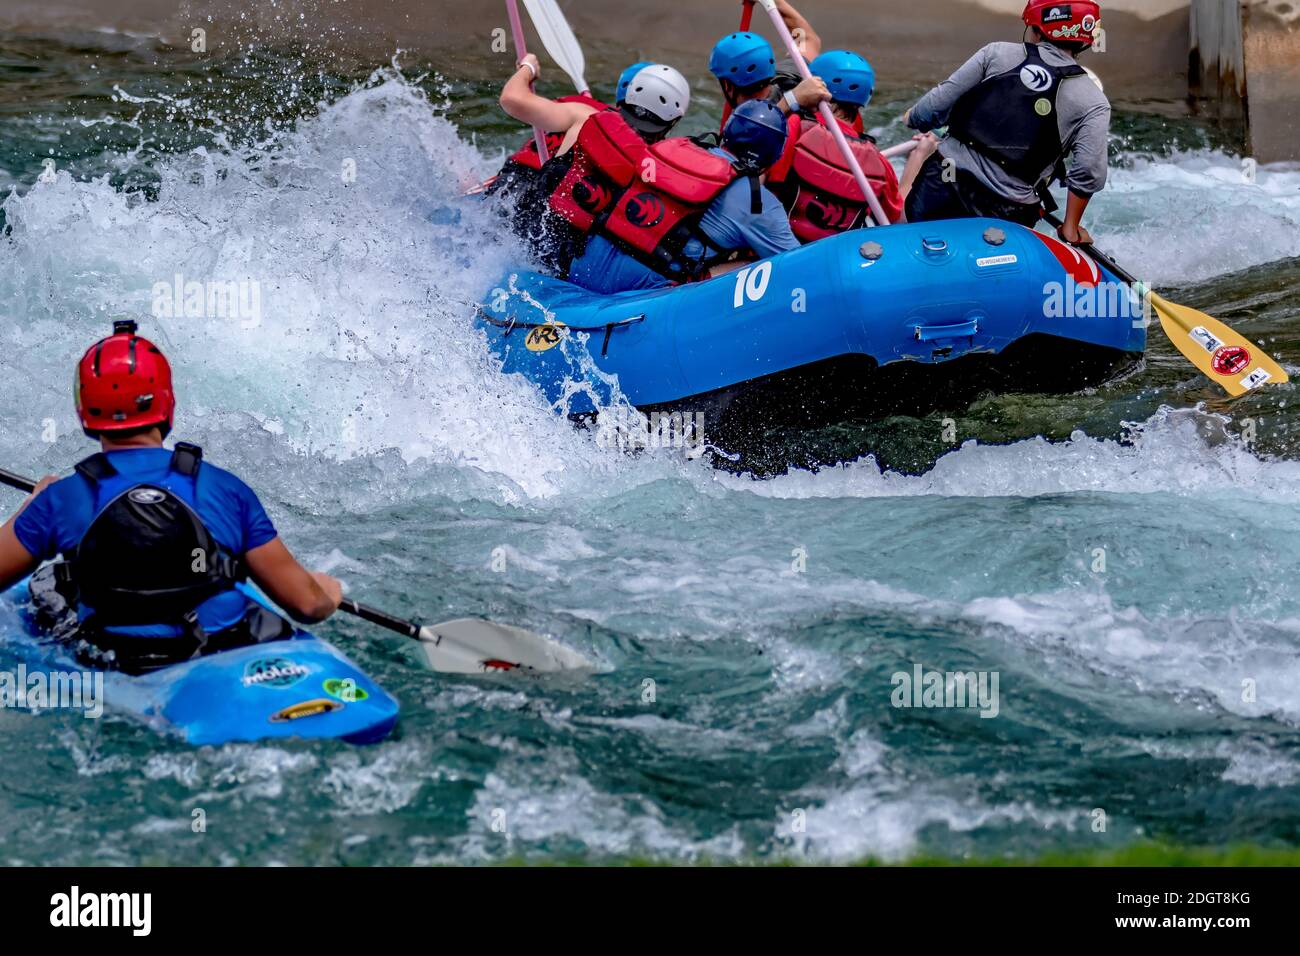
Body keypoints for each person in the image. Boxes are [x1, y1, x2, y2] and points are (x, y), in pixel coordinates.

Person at [0, 321, 344, 674]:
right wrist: (327, 592)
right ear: (167, 401)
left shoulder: (61, 500)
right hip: (224, 651)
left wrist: (32, 509)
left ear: (84, 409)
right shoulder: (223, 488)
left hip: (120, 660)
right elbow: (306, 604)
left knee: (52, 586)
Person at [902, 0, 1110, 244]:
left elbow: (934, 106)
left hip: (943, 184)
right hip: (1008, 210)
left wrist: (913, 117)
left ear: (1038, 30)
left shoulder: (996, 52)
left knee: (923, 243)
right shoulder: (1095, 101)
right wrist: (1070, 228)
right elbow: (1089, 173)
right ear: (1086, 39)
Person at [565, 99, 800, 294]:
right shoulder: (760, 203)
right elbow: (799, 266)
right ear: (772, 157)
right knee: (758, 264)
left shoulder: (675, 147)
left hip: (585, 262)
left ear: (728, 131)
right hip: (642, 290)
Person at [496, 57, 691, 270]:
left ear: (627, 96)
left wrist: (528, 67)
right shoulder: (656, 165)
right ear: (673, 122)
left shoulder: (584, 115)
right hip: (564, 263)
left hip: (520, 230)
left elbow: (511, 99)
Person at [767, 49, 905, 238]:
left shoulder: (795, 128)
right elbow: (898, 221)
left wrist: (788, 102)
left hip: (780, 249)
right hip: (837, 256)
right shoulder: (879, 163)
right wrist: (920, 156)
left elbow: (761, 178)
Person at [708, 27, 829, 140]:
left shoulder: (740, 133)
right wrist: (777, 4)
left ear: (727, 86)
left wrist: (792, 100)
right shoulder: (788, 75)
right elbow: (806, 36)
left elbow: (757, 133)